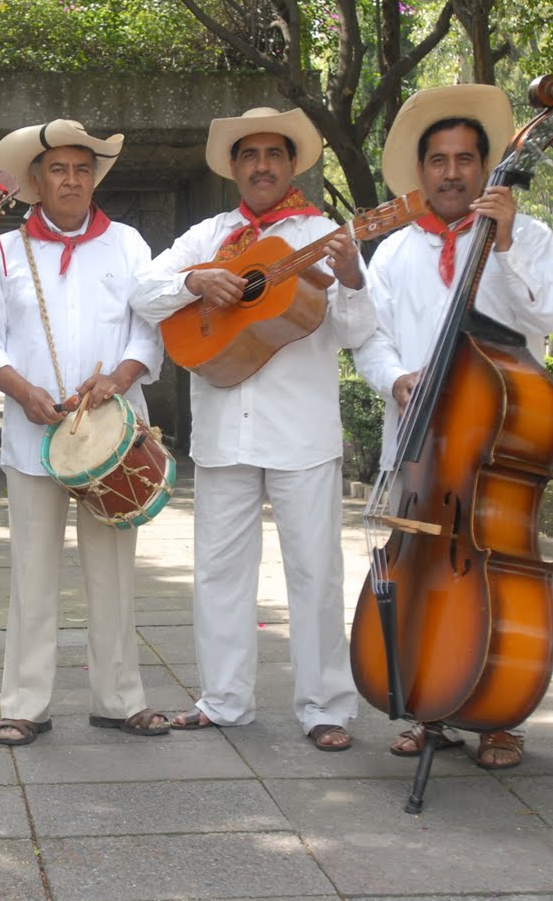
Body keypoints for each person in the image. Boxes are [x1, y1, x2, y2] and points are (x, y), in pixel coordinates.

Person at [130, 107, 372, 752]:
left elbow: (355, 332)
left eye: (274, 154)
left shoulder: (326, 233)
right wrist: (194, 279)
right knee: (217, 570)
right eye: (250, 155)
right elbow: (142, 290)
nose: (262, 166)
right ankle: (224, 700)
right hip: (221, 426)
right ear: (235, 167)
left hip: (301, 429)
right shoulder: (210, 233)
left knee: (315, 572)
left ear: (292, 164)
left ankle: (326, 707)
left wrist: (350, 279)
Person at [353, 83, 553, 769]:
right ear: (422, 172)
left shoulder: (527, 238)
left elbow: (550, 318)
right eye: (438, 160)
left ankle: (497, 715)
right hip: (421, 458)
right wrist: (395, 378)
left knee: (493, 574)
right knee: (422, 576)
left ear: (485, 168)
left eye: (465, 159)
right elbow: (369, 337)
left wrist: (502, 245)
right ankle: (428, 704)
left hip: (491, 453)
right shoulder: (393, 253)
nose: (451, 172)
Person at [0, 119, 169, 746]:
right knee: (32, 572)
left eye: (83, 169)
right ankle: (25, 704)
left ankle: (120, 698)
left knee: (113, 571)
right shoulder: (2, 250)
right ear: (36, 181)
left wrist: (122, 376)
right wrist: (23, 392)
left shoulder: (130, 245)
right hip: (33, 439)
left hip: (112, 440)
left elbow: (150, 328)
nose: (72, 180)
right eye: (59, 169)